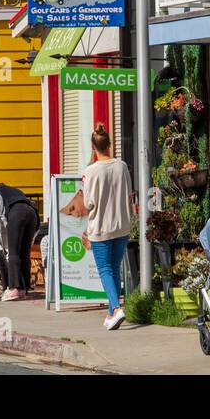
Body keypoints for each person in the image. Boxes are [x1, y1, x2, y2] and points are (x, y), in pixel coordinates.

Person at [80, 124, 132, 331]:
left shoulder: (90, 171)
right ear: (110, 144)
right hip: (122, 224)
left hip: (100, 227)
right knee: (114, 268)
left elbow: (88, 203)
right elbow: (129, 192)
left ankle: (117, 308)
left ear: (93, 147)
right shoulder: (122, 166)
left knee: (105, 270)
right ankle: (111, 312)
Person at [0, 182, 39, 302]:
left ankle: (14, 289)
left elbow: (2, 211)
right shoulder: (16, 190)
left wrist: (9, 228)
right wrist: (34, 235)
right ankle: (24, 288)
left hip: (16, 214)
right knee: (24, 254)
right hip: (32, 214)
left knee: (13, 253)